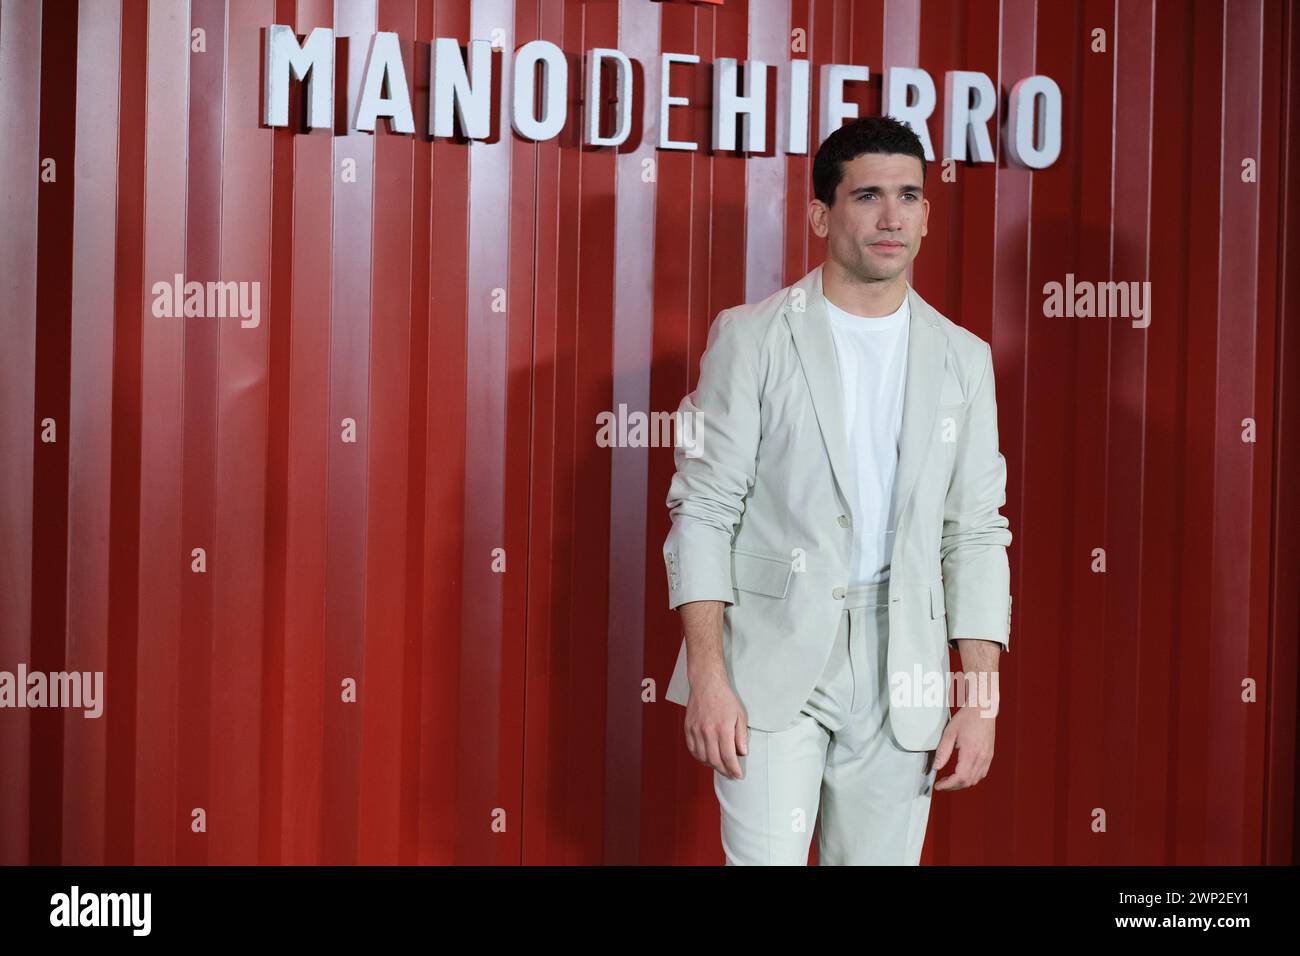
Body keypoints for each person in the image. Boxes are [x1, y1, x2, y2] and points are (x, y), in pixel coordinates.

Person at [662, 115, 1013, 865]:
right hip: (769, 654)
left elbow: (976, 533)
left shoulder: (964, 359)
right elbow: (704, 507)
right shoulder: (751, 337)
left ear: (926, 214)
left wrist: (978, 699)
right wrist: (707, 673)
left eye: (909, 196)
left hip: (903, 666)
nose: (892, 217)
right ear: (822, 214)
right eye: (868, 196)